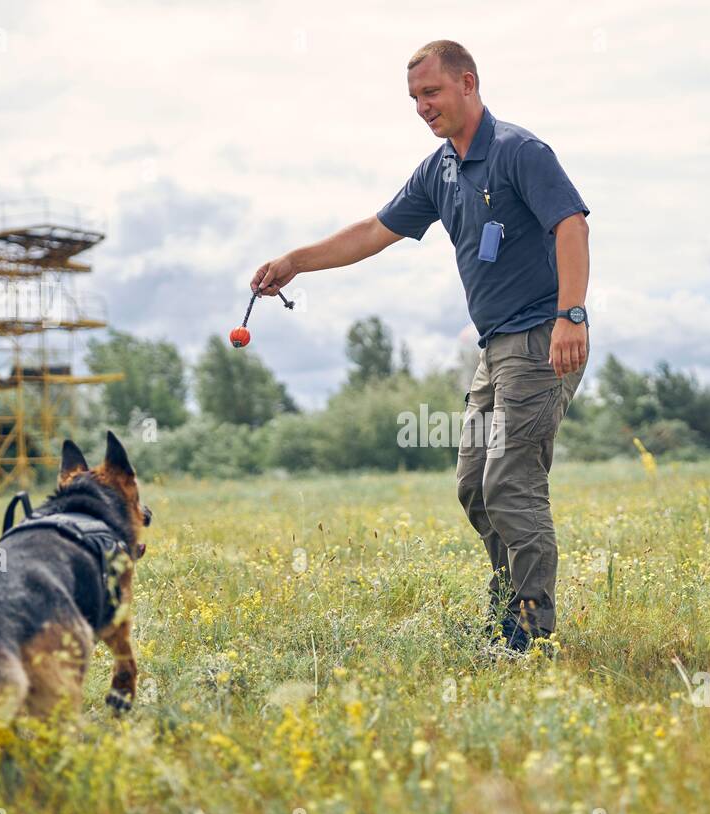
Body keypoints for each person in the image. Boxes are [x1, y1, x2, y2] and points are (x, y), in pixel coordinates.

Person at [250, 39, 591, 653]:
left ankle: (531, 636)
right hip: (496, 349)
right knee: (473, 484)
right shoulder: (440, 170)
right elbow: (375, 232)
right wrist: (296, 260)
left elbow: (571, 224)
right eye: (413, 98)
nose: (422, 107)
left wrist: (572, 315)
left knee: (511, 483)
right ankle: (507, 610)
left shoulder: (519, 151)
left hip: (541, 337)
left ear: (468, 82)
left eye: (431, 93)